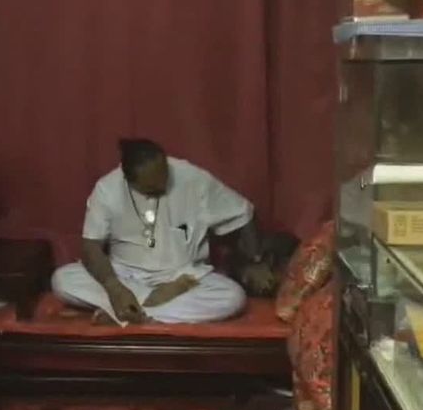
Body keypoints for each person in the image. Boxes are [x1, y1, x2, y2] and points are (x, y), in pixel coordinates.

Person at [52, 138, 268, 325]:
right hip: (125, 275)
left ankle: (128, 313)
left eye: (165, 177)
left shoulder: (193, 178)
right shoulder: (107, 188)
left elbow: (242, 211)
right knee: (63, 280)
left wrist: (256, 260)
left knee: (232, 297)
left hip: (183, 278)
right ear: (127, 179)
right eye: (151, 189)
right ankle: (144, 307)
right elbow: (91, 246)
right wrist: (115, 288)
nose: (162, 187)